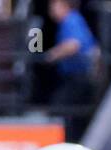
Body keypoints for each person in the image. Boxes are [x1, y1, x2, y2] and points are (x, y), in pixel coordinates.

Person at [45, 0, 98, 140]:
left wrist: (52, 55)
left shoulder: (71, 20)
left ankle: (64, 142)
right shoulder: (70, 21)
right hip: (76, 77)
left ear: (64, 6)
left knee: (59, 108)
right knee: (71, 112)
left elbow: (73, 45)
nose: (51, 10)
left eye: (54, 6)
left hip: (79, 77)